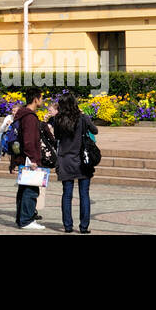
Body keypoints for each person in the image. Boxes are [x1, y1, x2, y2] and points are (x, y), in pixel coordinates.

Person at [49, 91, 98, 234]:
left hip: (65, 159)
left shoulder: (58, 119)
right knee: (84, 194)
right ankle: (84, 227)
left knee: (67, 194)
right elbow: (95, 131)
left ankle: (68, 226)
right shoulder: (82, 118)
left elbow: (57, 136)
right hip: (82, 159)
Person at [9, 87, 46, 230]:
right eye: (41, 98)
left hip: (22, 158)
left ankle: (22, 219)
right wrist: (34, 159)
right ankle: (26, 220)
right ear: (36, 99)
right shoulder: (30, 117)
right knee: (30, 190)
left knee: (24, 189)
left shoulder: (22, 114)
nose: (42, 101)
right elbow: (29, 140)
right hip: (29, 159)